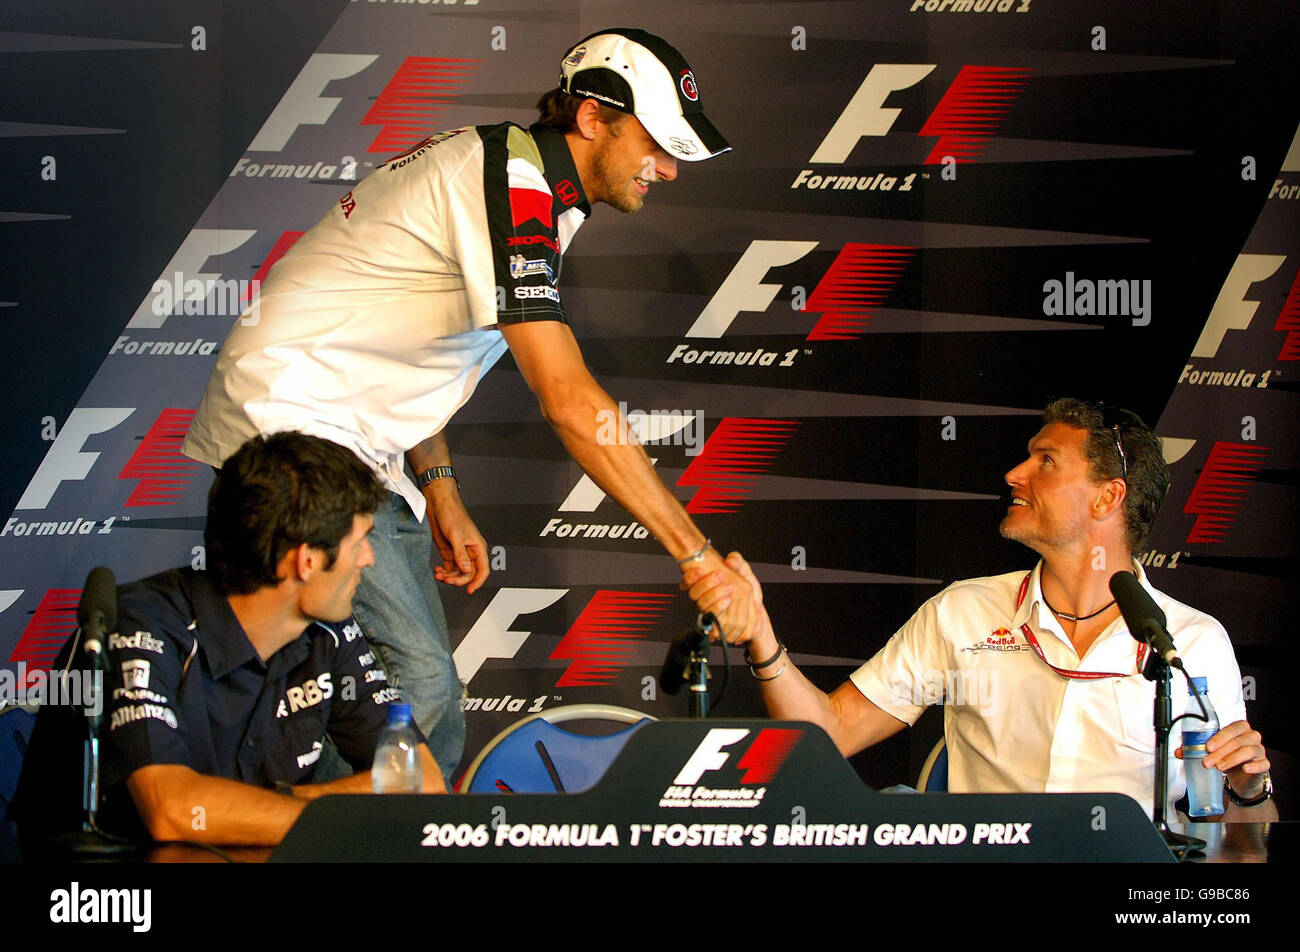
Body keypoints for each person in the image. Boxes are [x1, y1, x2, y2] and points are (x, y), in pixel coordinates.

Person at [181, 28, 757, 780]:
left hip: (349, 437)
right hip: (294, 423)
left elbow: (409, 340)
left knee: (367, 691)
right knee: (414, 690)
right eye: (656, 142)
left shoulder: (530, 184)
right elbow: (570, 400)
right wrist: (696, 554)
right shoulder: (511, 179)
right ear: (591, 120)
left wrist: (439, 484)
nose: (670, 169)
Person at [687, 399, 1275, 819]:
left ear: (1107, 494)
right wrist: (762, 638)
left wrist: (1249, 789)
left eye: (1045, 461)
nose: (1014, 474)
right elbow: (830, 733)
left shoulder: (1191, 642)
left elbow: (1243, 844)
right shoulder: (963, 613)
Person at [99, 433, 444, 847]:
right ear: (305, 561)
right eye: (360, 541)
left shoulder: (328, 631)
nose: (368, 559)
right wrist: (344, 807)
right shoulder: (145, 625)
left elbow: (419, 780)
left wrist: (255, 806)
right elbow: (174, 811)